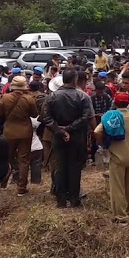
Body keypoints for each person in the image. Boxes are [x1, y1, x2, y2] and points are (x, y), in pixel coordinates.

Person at [42, 69, 94, 208]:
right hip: (77, 137)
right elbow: (86, 117)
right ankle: (74, 199)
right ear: (75, 80)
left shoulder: (52, 96)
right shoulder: (82, 96)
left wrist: (59, 130)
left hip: (58, 136)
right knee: (74, 168)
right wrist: (69, 129)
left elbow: (45, 117)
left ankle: (61, 201)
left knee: (59, 167)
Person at [94, 91, 129, 222]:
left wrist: (103, 143)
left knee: (117, 187)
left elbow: (97, 131)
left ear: (115, 102)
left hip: (118, 157)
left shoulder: (112, 116)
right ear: (128, 103)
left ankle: (121, 216)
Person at [0, 75, 39, 194]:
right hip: (25, 131)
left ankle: (3, 183)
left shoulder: (5, 98)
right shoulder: (29, 99)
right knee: (23, 160)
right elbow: (35, 115)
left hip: (9, 131)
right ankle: (21, 188)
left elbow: (1, 114)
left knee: (7, 158)